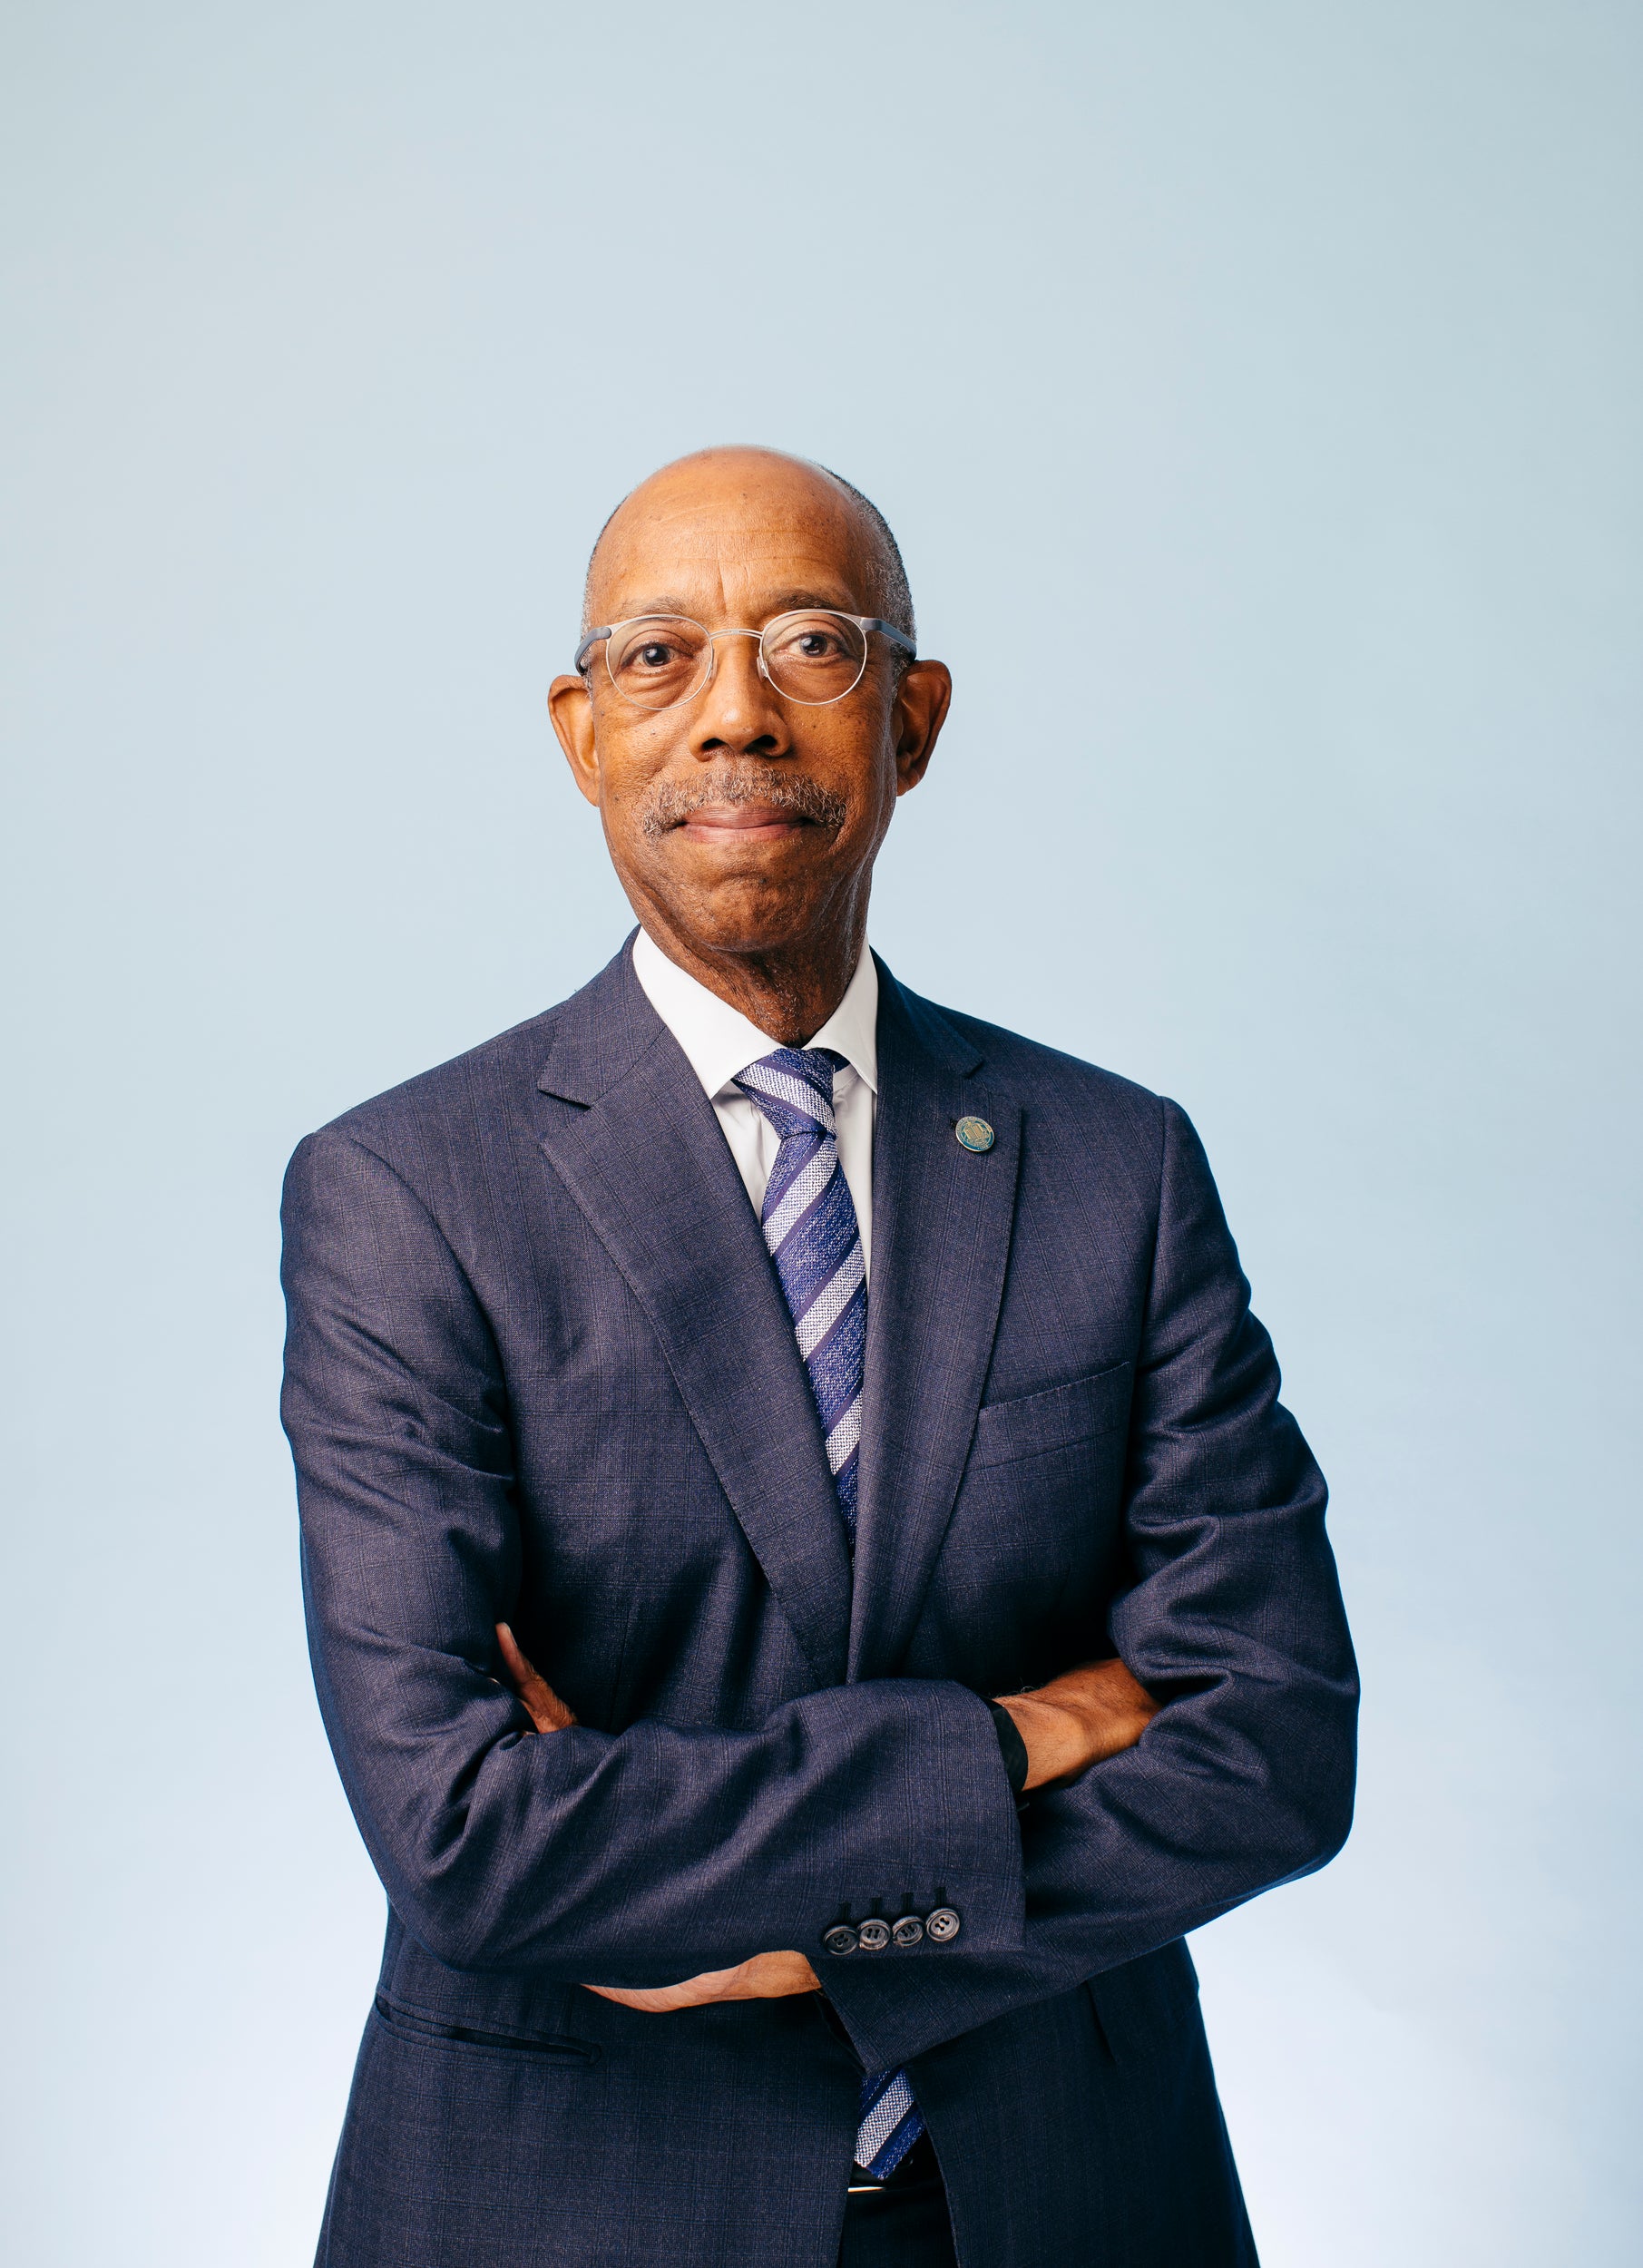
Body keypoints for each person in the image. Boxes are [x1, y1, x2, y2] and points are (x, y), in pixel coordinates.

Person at [280, 445, 1357, 2268]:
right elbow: (468, 1833)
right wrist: (1026, 1733)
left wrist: (840, 1933)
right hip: (568, 2207)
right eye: (657, 657)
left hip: (1073, 2198)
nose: (735, 716)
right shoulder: (404, 1192)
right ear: (581, 736)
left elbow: (1276, 1738)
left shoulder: (1119, 1166)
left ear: (911, 719)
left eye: (810, 644)